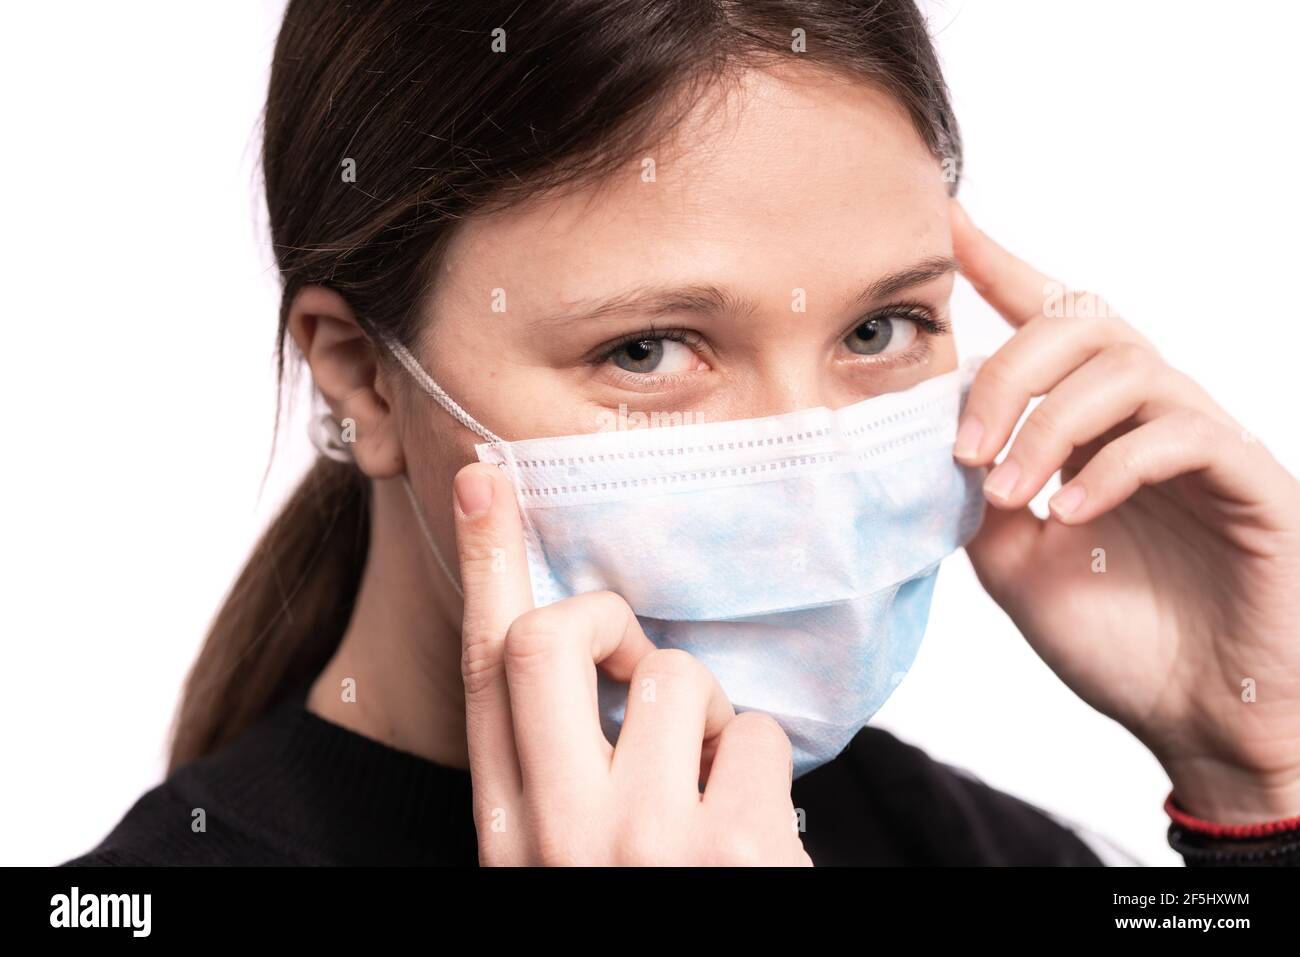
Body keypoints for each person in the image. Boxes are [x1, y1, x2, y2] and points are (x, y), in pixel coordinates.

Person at [64, 0, 1300, 867]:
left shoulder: (979, 849)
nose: (811, 478)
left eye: (881, 329)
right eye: (647, 349)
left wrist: (1259, 788)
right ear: (362, 379)